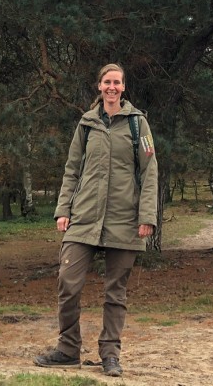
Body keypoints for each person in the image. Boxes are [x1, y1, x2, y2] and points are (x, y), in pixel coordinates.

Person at [33, 63, 159, 378]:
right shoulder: (87, 123)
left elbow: (149, 171)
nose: (112, 87)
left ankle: (110, 356)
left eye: (117, 82)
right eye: (107, 82)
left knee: (116, 292)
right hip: (85, 218)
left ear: (124, 87)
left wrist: (147, 216)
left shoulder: (137, 124)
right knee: (68, 283)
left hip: (124, 220)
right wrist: (63, 209)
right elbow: (72, 167)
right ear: (99, 86)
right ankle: (67, 349)